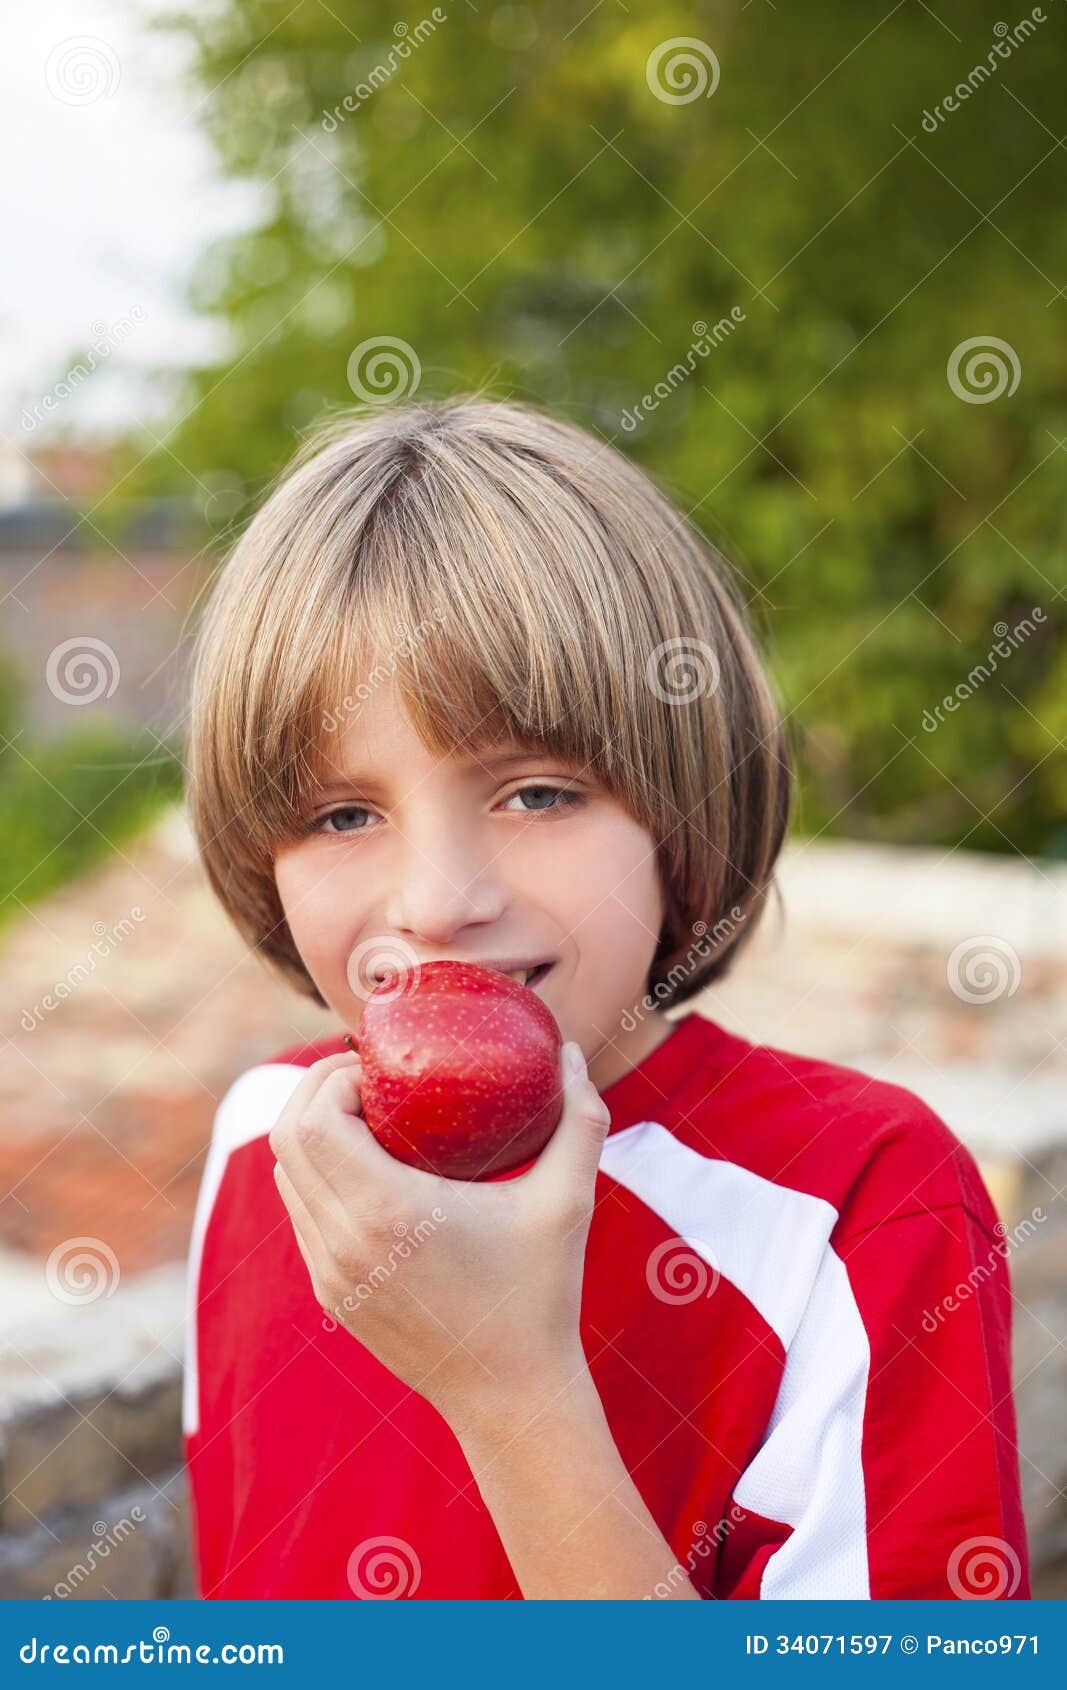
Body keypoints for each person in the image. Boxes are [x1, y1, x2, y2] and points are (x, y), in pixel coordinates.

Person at [181, 394, 1029, 1600]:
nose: (438, 900)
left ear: (676, 810)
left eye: (534, 792)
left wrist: (508, 1384)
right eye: (341, 814)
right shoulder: (266, 1140)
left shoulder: (862, 1209)